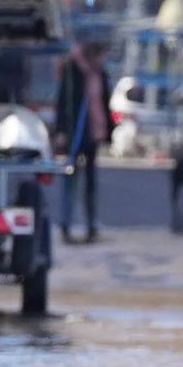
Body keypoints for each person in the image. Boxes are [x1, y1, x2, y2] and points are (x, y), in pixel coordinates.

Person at [54, 40, 115, 243]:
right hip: (76, 131)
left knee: (91, 182)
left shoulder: (100, 74)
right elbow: (63, 100)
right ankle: (66, 225)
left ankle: (91, 226)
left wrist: (108, 132)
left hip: (94, 132)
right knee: (71, 179)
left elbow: (104, 103)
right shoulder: (73, 72)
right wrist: (61, 130)